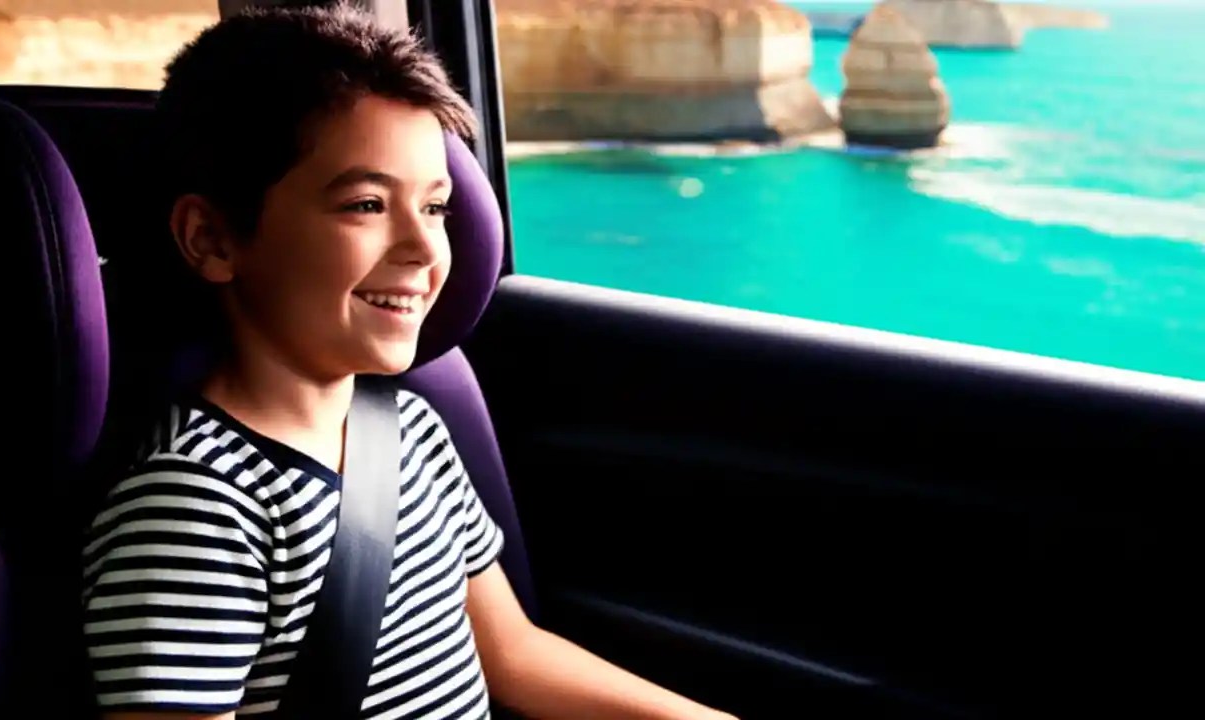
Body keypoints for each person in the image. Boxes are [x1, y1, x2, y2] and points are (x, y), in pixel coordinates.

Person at [80, 4, 736, 719]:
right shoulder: (197, 505)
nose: (425, 252)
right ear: (212, 239)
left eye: (435, 208)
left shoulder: (411, 428)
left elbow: (512, 654)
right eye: (365, 204)